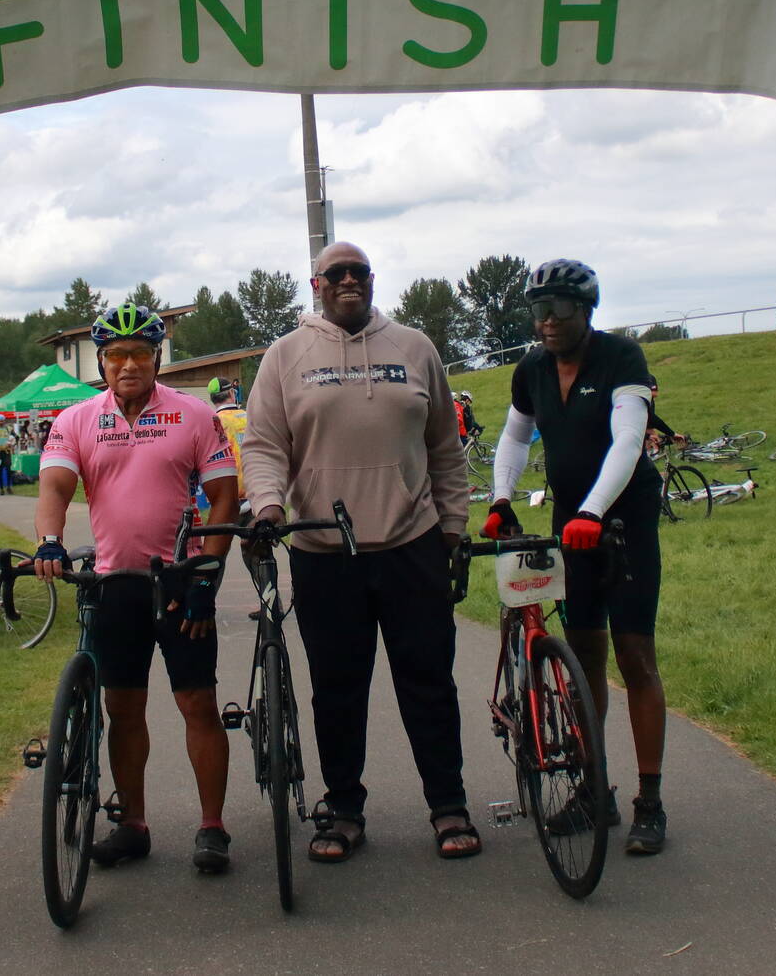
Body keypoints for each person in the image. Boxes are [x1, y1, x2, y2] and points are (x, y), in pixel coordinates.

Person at [242, 241, 477, 863]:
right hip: (323, 548)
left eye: (360, 273)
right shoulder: (286, 355)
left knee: (428, 682)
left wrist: (452, 527)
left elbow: (446, 450)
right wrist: (268, 504)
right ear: (315, 284)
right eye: (336, 274)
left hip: (412, 543)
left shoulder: (415, 347)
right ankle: (344, 809)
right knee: (337, 688)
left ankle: (448, 806)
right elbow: (263, 444)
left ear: (372, 281)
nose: (349, 281)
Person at [33, 303, 241, 873]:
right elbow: (54, 486)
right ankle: (133, 824)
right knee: (123, 710)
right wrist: (49, 540)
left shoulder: (194, 415)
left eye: (140, 354)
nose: (128, 365)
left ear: (156, 359)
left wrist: (208, 573)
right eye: (116, 355)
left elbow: (225, 497)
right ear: (100, 362)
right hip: (115, 581)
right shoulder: (76, 419)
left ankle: (212, 827)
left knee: (196, 703)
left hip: (179, 580)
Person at [486, 259, 670, 855]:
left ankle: (650, 800)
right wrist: (501, 498)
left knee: (634, 654)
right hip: (575, 523)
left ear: (586, 310)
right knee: (584, 654)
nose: (546, 322)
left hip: (624, 520)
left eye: (559, 310)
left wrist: (593, 512)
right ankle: (596, 792)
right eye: (538, 311)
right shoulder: (533, 369)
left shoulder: (620, 358)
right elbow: (516, 437)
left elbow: (628, 439)